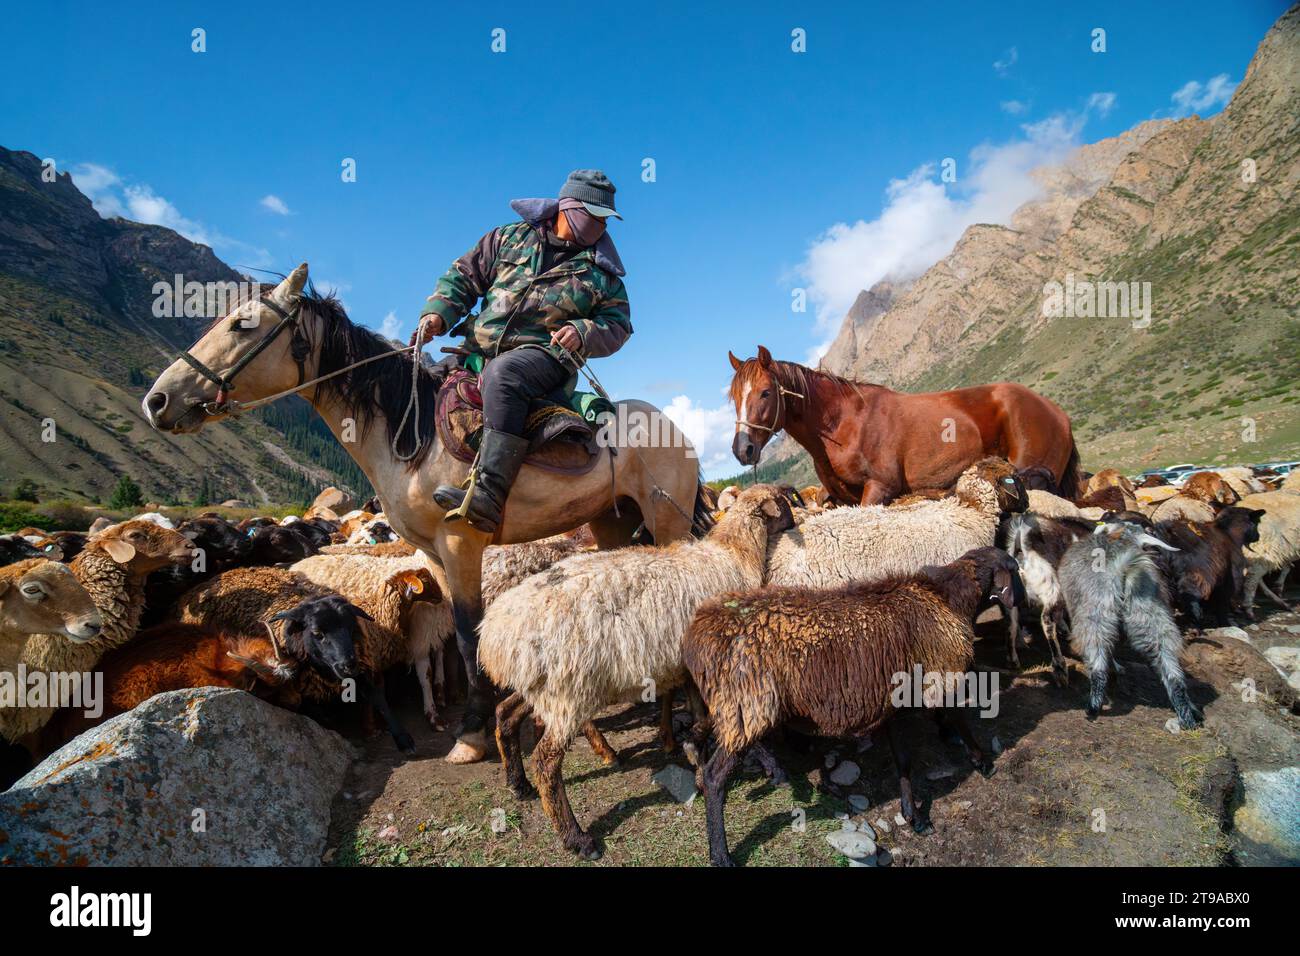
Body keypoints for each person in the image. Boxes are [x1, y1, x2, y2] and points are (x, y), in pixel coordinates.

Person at [411, 169, 632, 533]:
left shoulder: (603, 276)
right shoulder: (508, 238)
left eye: (606, 220)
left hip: (546, 360)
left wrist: (583, 331)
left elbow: (618, 326)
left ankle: (489, 493)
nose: (602, 227)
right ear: (570, 208)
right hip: (476, 351)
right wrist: (437, 313)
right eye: (595, 217)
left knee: (504, 375)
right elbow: (464, 277)